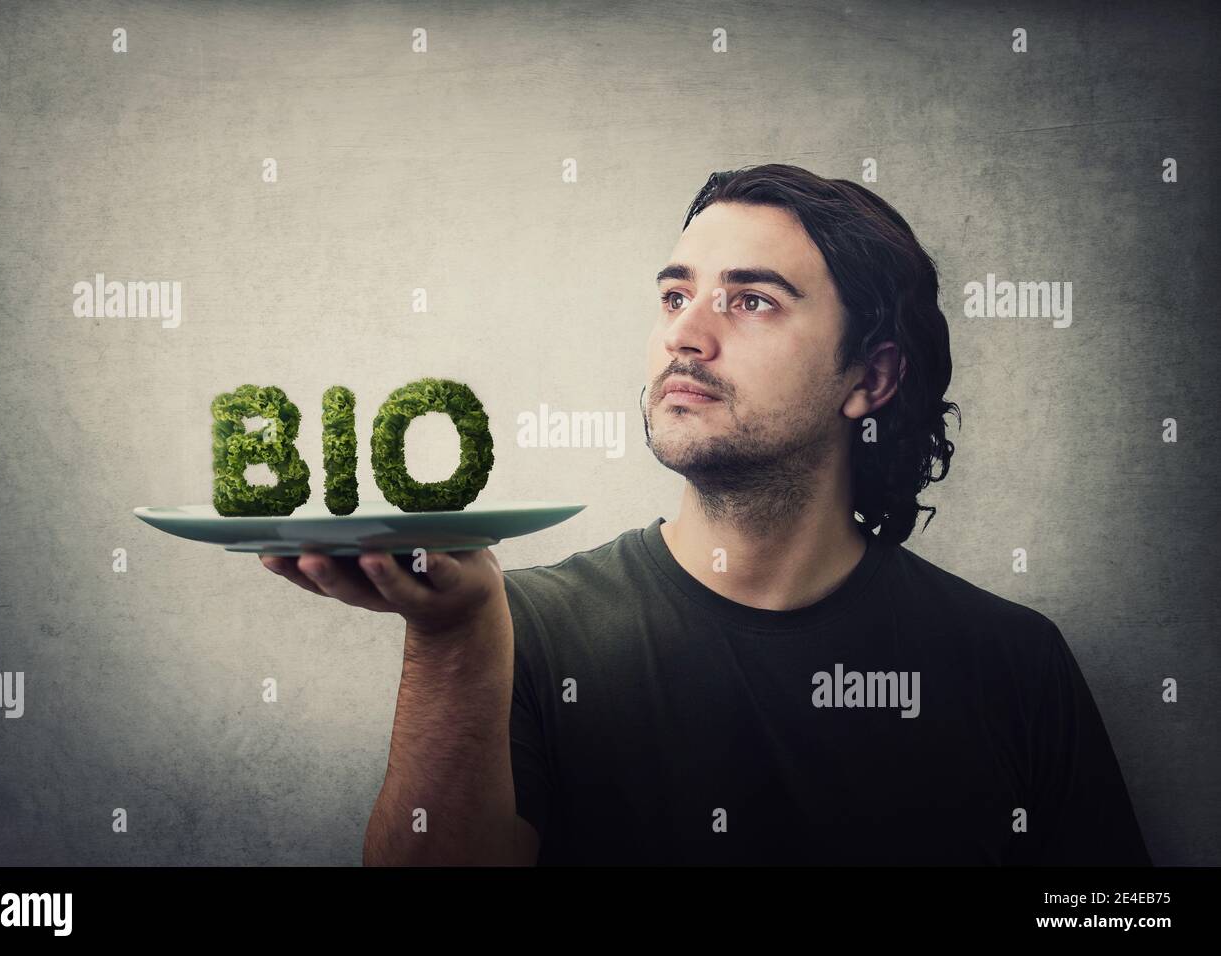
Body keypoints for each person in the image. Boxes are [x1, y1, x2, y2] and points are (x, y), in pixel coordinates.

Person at [260, 163, 1151, 866]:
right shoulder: (517, 629)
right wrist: (453, 640)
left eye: (752, 300)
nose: (687, 333)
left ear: (870, 379)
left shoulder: (1014, 664)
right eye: (675, 295)